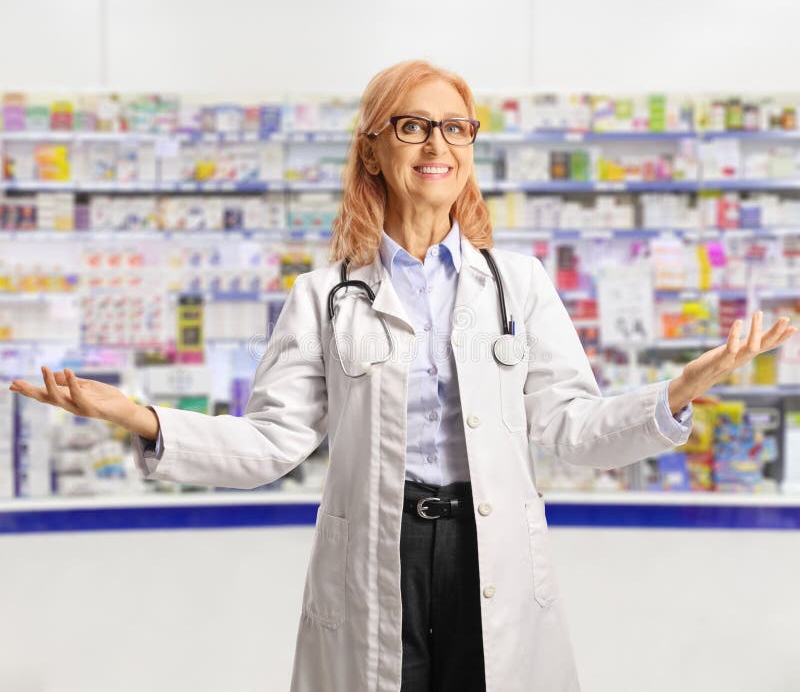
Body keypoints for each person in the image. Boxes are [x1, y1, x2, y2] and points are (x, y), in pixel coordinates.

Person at [8, 60, 797, 692]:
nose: (437, 144)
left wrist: (677, 392)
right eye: (413, 125)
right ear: (373, 149)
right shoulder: (323, 296)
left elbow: (573, 431)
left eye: (455, 128)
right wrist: (145, 419)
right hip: (378, 551)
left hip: (487, 549)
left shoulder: (516, 284)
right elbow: (272, 441)